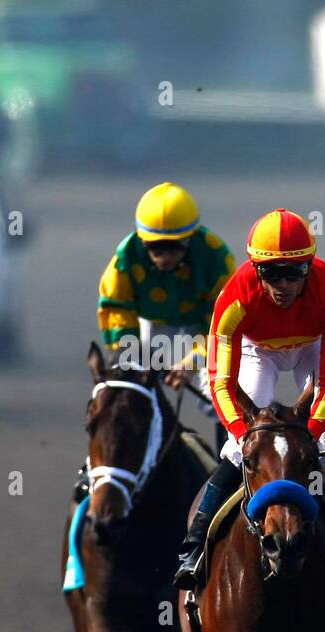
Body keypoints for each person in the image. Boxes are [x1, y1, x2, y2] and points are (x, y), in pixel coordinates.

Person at [173, 208, 325, 588]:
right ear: (255, 270)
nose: (281, 284)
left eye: (293, 273)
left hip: (312, 347)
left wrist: (311, 434)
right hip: (255, 349)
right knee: (237, 446)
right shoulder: (233, 301)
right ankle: (193, 548)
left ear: (309, 267)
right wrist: (242, 434)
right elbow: (221, 382)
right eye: (270, 273)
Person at [75, 182, 234, 501]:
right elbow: (116, 310)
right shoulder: (124, 258)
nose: (165, 256)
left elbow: (224, 322)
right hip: (150, 323)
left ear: (191, 239)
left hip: (202, 325)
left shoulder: (216, 256)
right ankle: (102, 467)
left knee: (217, 394)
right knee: (126, 393)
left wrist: (191, 361)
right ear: (142, 240)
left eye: (175, 247)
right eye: (156, 248)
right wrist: (131, 356)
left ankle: (229, 472)